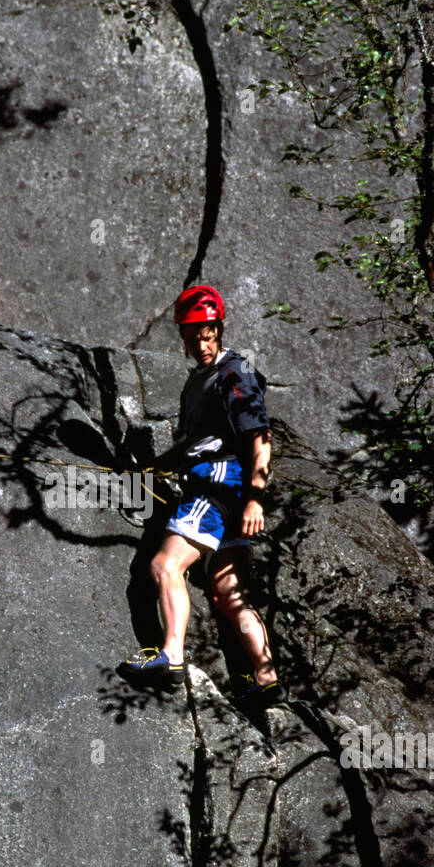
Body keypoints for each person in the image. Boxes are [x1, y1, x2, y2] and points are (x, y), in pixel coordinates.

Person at [119, 284, 285, 706]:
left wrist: (254, 498)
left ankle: (172, 656)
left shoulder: (236, 372)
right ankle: (266, 677)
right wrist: (158, 466)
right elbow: (197, 441)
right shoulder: (198, 381)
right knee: (226, 592)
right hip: (224, 486)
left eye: (208, 333)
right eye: (193, 337)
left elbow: (260, 436)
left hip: (218, 485)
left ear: (219, 327)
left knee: (163, 565)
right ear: (183, 337)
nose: (202, 344)